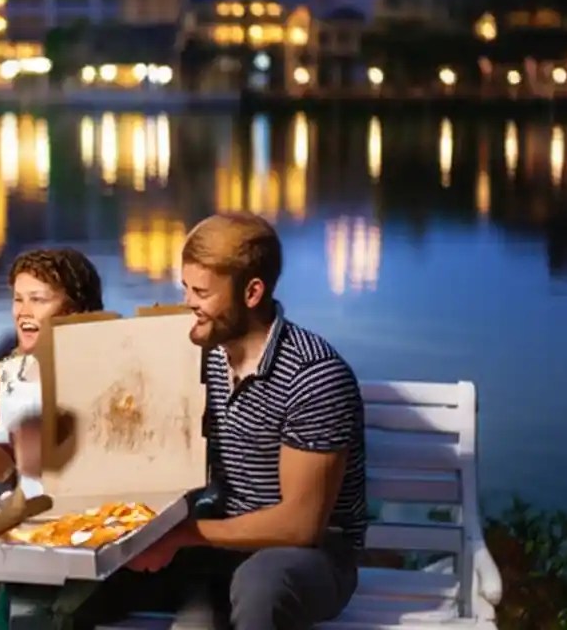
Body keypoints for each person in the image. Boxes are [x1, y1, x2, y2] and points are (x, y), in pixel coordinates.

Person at [90, 212, 368, 630]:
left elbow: (300, 525)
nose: (188, 303)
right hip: (219, 541)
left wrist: (182, 535)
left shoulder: (313, 375)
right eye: (185, 287)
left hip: (310, 556)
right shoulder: (199, 356)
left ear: (252, 292)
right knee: (88, 579)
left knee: (261, 582)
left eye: (201, 292)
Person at [0, 247, 105, 498]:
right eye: (18, 299)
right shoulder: (4, 376)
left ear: (75, 309)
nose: (23, 312)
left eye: (38, 299)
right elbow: (5, 476)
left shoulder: (105, 374)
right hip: (28, 511)